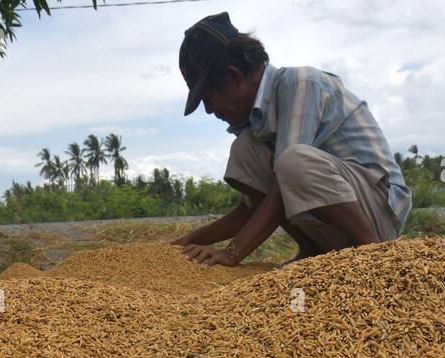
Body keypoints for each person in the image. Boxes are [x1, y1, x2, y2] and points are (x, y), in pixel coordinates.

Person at [171, 12, 411, 267]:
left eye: (208, 98)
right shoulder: (257, 126)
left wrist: (231, 254)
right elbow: (250, 210)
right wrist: (184, 244)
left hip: (378, 210)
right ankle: (313, 248)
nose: (209, 111)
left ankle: (375, 255)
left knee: (293, 160)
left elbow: (281, 186)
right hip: (337, 222)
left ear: (233, 77)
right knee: (244, 150)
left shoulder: (301, 84)